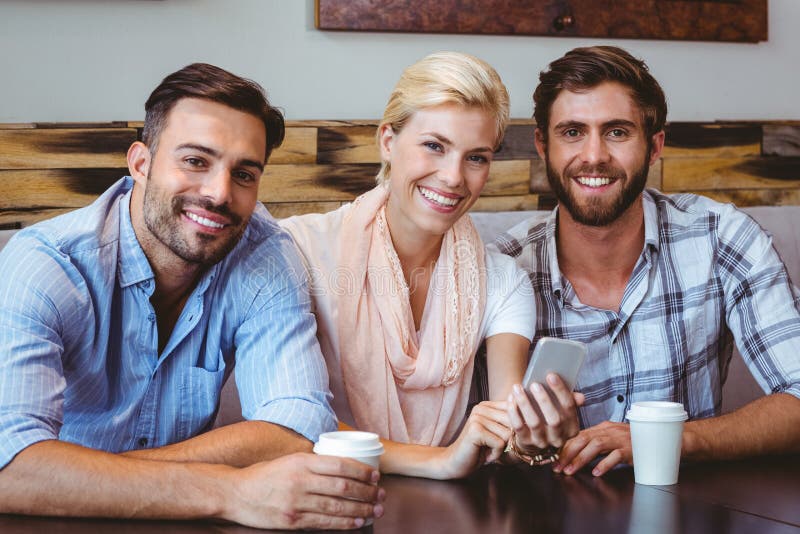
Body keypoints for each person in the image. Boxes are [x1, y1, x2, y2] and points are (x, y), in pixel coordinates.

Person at [0, 63, 384, 530]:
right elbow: (11, 467)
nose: (220, 194)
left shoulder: (265, 254)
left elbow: (299, 423)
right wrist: (228, 490)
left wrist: (92, 478)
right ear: (140, 163)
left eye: (244, 174)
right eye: (196, 161)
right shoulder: (46, 263)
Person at [492, 45, 800, 477]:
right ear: (543, 145)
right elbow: (478, 442)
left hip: (696, 507)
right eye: (572, 132)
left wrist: (672, 439)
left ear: (654, 146)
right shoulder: (504, 271)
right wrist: (527, 447)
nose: (595, 155)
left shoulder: (721, 238)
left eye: (617, 132)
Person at [281, 51, 582, 480]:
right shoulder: (300, 249)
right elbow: (291, 425)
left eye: (476, 157)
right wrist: (441, 461)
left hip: (443, 510)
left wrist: (532, 437)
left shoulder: (501, 281)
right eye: (434, 146)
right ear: (388, 141)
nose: (454, 177)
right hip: (317, 495)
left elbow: (508, 428)